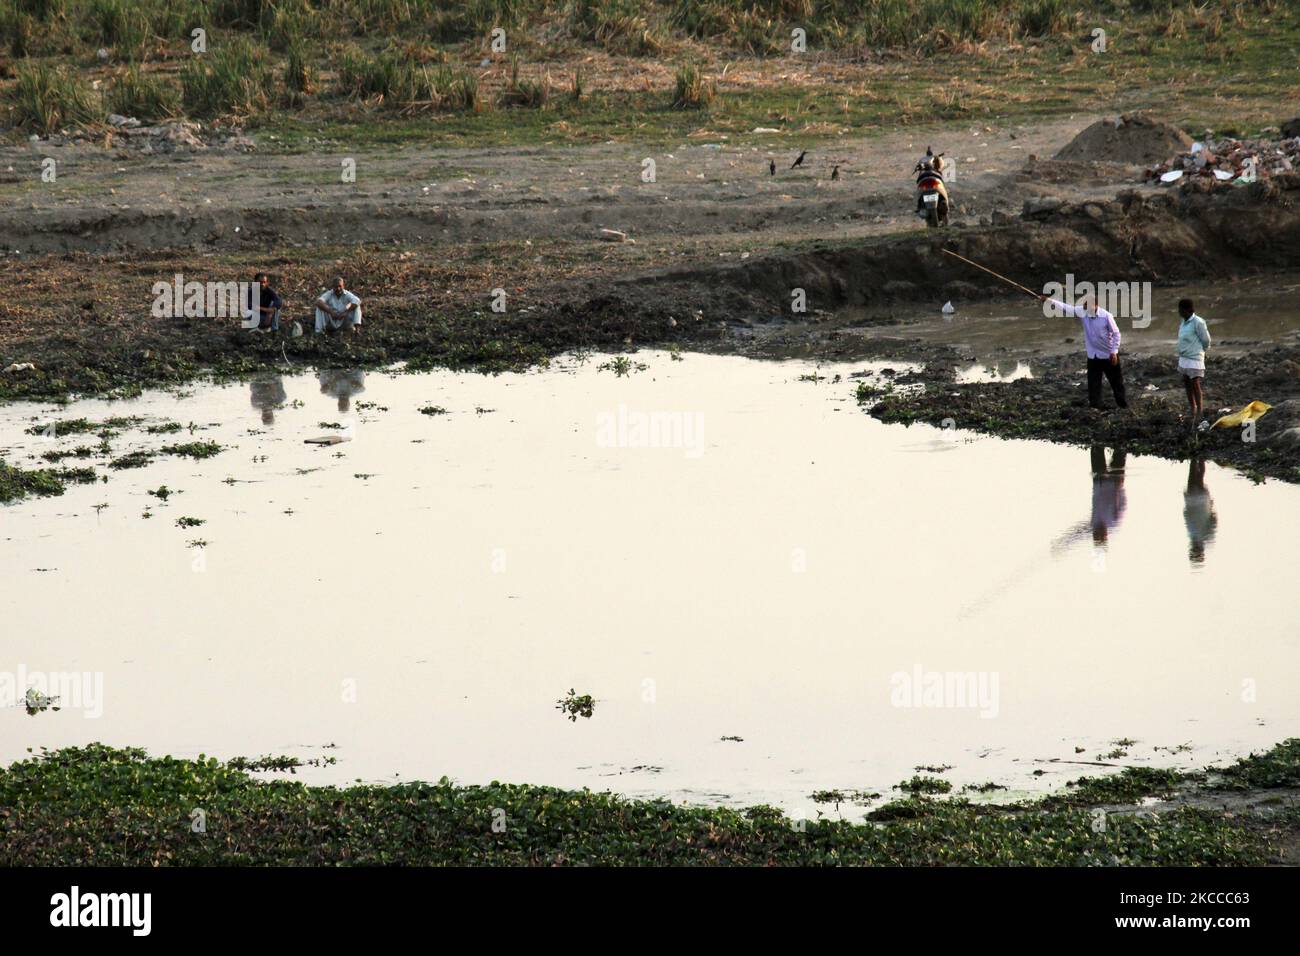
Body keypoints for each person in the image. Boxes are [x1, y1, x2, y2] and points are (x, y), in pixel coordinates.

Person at [1039, 290, 1127, 409]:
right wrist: (1049, 300)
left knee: (1116, 381)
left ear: (1095, 306)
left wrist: (1114, 351)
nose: (1086, 310)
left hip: (1108, 355)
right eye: (1085, 307)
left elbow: (1116, 334)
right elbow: (1066, 308)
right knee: (1093, 382)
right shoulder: (1082, 311)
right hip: (1093, 355)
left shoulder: (1106, 316)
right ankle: (1096, 405)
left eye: (1088, 307)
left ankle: (1123, 405)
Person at [1176, 298, 1211, 427]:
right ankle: (1193, 408)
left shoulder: (1198, 322)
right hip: (1184, 357)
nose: (1178, 312)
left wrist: (1201, 352)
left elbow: (1206, 340)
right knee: (1186, 382)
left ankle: (1200, 410)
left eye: (1180, 309)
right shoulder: (1183, 322)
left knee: (1195, 383)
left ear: (1186, 310)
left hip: (1195, 358)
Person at [1183, 457, 1217, 566]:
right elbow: (1186, 514)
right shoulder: (1194, 534)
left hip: (1201, 501)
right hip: (1193, 499)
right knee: (1194, 475)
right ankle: (1196, 456)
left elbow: (1213, 521)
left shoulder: (1205, 537)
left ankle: (1199, 457)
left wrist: (1211, 509)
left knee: (1199, 477)